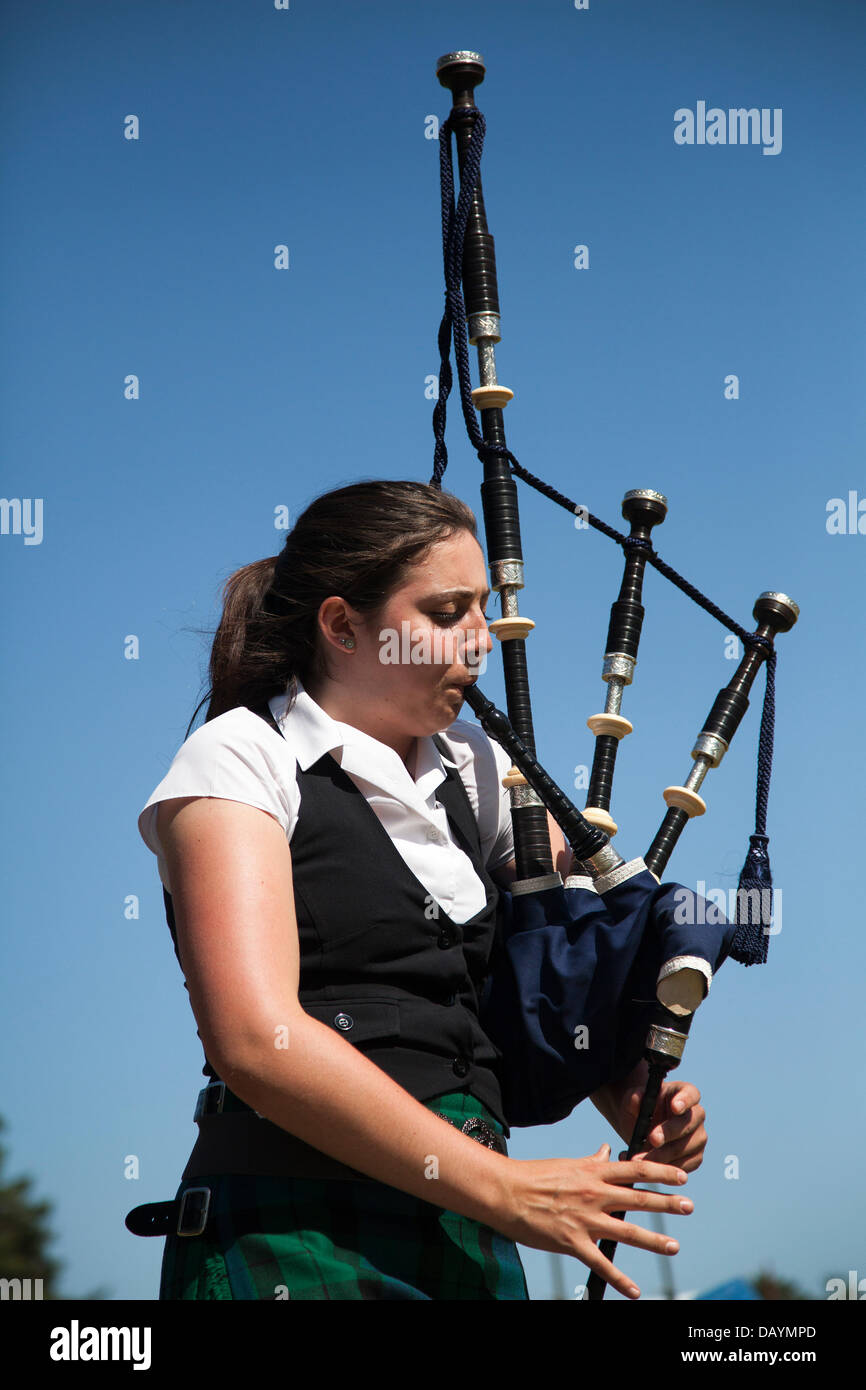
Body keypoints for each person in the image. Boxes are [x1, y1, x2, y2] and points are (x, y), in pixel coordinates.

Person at [134, 479, 707, 1301]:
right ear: (341, 626)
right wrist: (506, 1188)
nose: (481, 639)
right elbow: (257, 1041)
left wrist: (625, 1085)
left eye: (483, 607)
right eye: (446, 613)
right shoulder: (240, 759)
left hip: (465, 1230)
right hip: (299, 1231)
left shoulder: (477, 770)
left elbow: (562, 954)